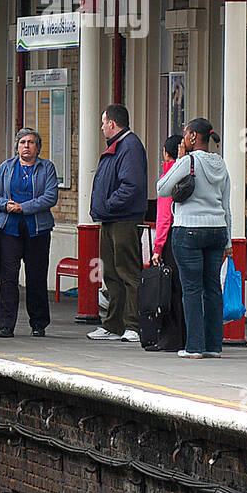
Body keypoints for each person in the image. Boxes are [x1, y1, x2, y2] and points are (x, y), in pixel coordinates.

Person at [157, 117, 231, 358]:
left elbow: (162, 188)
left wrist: (178, 161)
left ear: (191, 138)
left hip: (188, 229)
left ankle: (194, 347)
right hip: (217, 230)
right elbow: (227, 206)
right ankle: (213, 346)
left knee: (191, 289)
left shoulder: (187, 161)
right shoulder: (221, 164)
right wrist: (228, 241)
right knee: (212, 288)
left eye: (185, 133)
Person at [0, 128, 59, 338]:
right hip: (9, 229)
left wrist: (23, 207)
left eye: (30, 142)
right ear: (17, 147)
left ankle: (38, 323)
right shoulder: (6, 167)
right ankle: (6, 325)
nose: (26, 146)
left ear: (38, 147)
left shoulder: (47, 168)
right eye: (22, 143)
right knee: (9, 277)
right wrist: (5, 204)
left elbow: (50, 197)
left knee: (36, 276)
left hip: (37, 229)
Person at [87, 103, 148, 343]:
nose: (102, 128)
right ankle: (113, 325)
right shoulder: (118, 146)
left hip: (124, 218)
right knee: (111, 273)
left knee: (128, 272)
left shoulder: (129, 146)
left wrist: (110, 204)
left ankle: (133, 325)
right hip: (111, 218)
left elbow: (132, 185)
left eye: (103, 123)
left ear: (112, 123)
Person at [148, 136, 186, 351]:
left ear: (165, 153)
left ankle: (170, 339)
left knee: (170, 291)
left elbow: (164, 216)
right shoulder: (191, 172)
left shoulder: (169, 176)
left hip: (172, 237)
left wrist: (157, 247)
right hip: (190, 234)